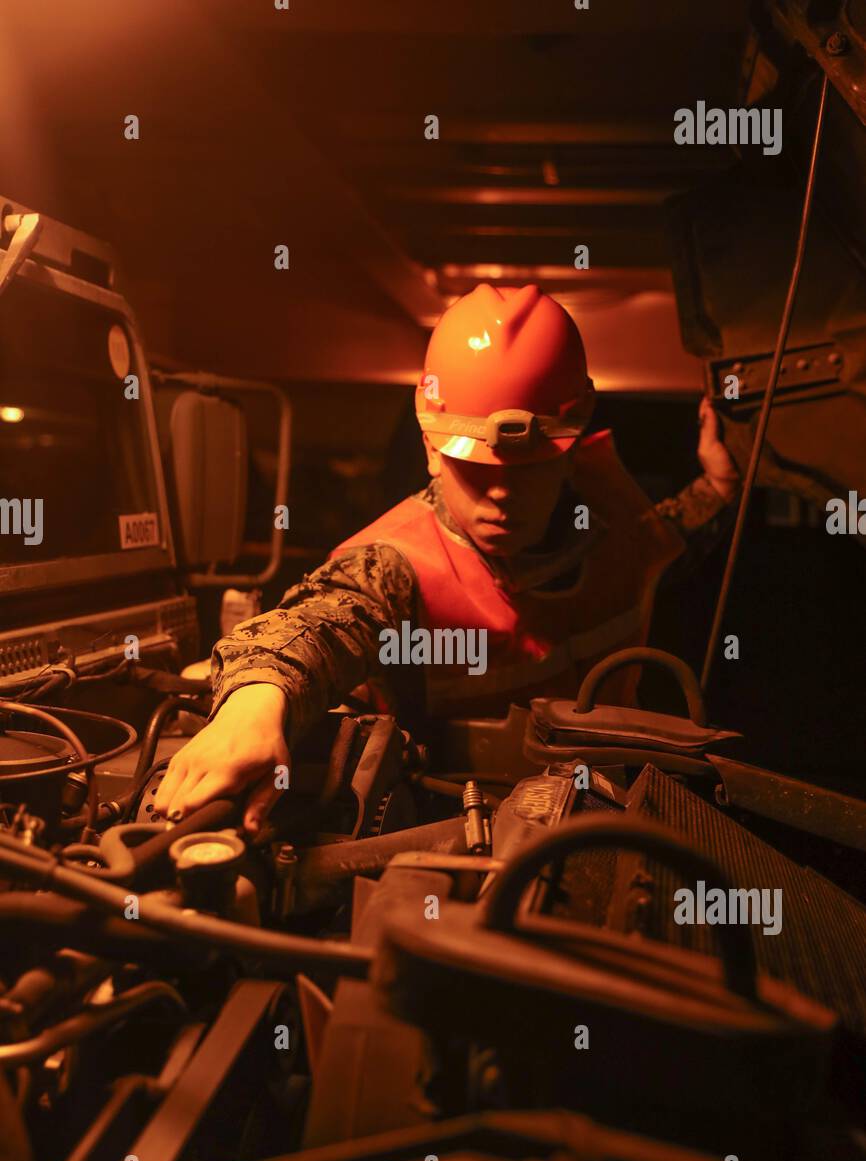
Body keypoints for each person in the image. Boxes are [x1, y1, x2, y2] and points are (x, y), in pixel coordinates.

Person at [154, 284, 740, 833]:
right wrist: (254, 703)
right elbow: (320, 620)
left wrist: (717, 488)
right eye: (475, 469)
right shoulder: (392, 565)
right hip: (466, 837)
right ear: (432, 447)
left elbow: (658, 548)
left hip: (632, 816)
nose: (503, 494)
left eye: (528, 469)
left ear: (568, 449)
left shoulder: (610, 519)